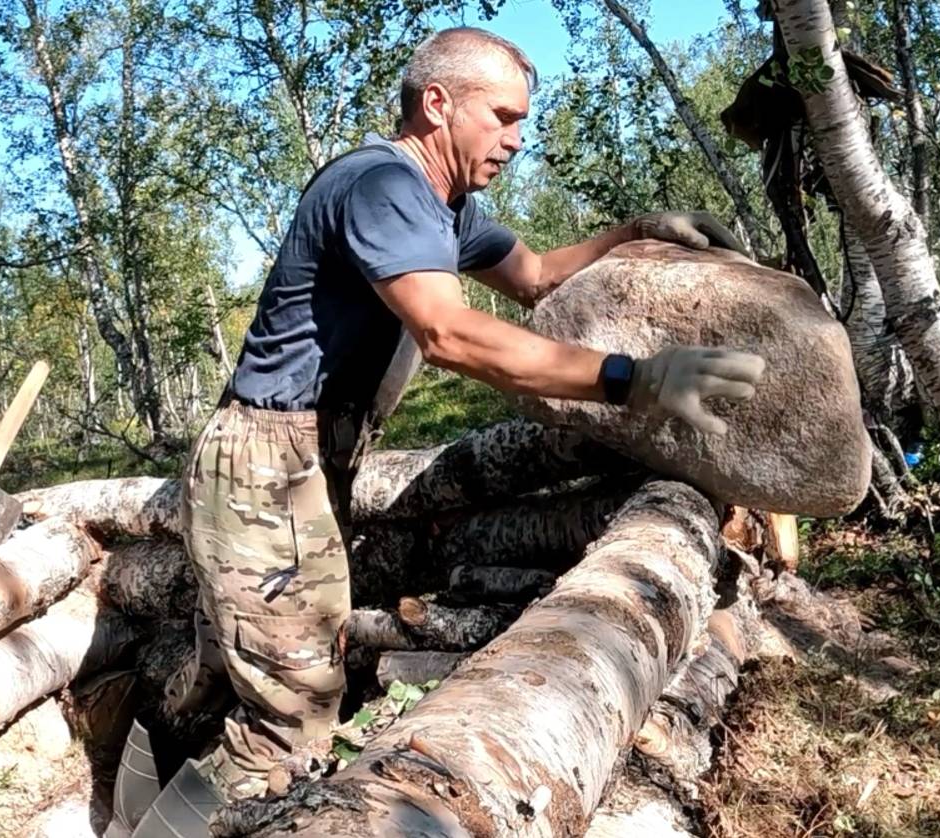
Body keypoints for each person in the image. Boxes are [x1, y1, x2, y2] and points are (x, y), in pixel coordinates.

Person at [114, 25, 766, 837]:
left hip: (298, 462)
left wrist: (633, 232)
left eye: (521, 121)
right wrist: (632, 378)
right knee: (293, 716)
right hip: (266, 467)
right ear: (436, 104)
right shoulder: (383, 186)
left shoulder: (443, 207)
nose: (516, 139)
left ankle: (133, 806)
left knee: (236, 674)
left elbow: (533, 276)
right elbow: (448, 334)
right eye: (502, 116)